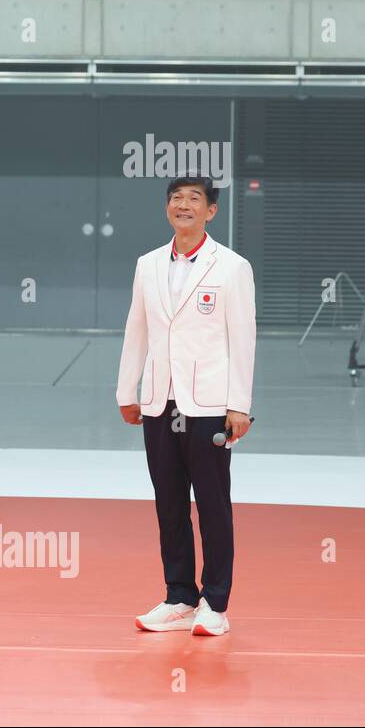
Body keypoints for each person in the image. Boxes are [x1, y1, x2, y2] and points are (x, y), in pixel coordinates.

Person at [116, 174, 255, 637]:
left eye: (194, 199)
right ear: (166, 209)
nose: (184, 205)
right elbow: (137, 329)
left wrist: (239, 404)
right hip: (160, 401)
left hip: (210, 404)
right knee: (169, 503)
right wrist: (127, 391)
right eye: (176, 199)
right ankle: (179, 596)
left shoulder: (232, 267)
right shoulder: (148, 264)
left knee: (213, 504)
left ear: (211, 211)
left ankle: (215, 603)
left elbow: (243, 340)